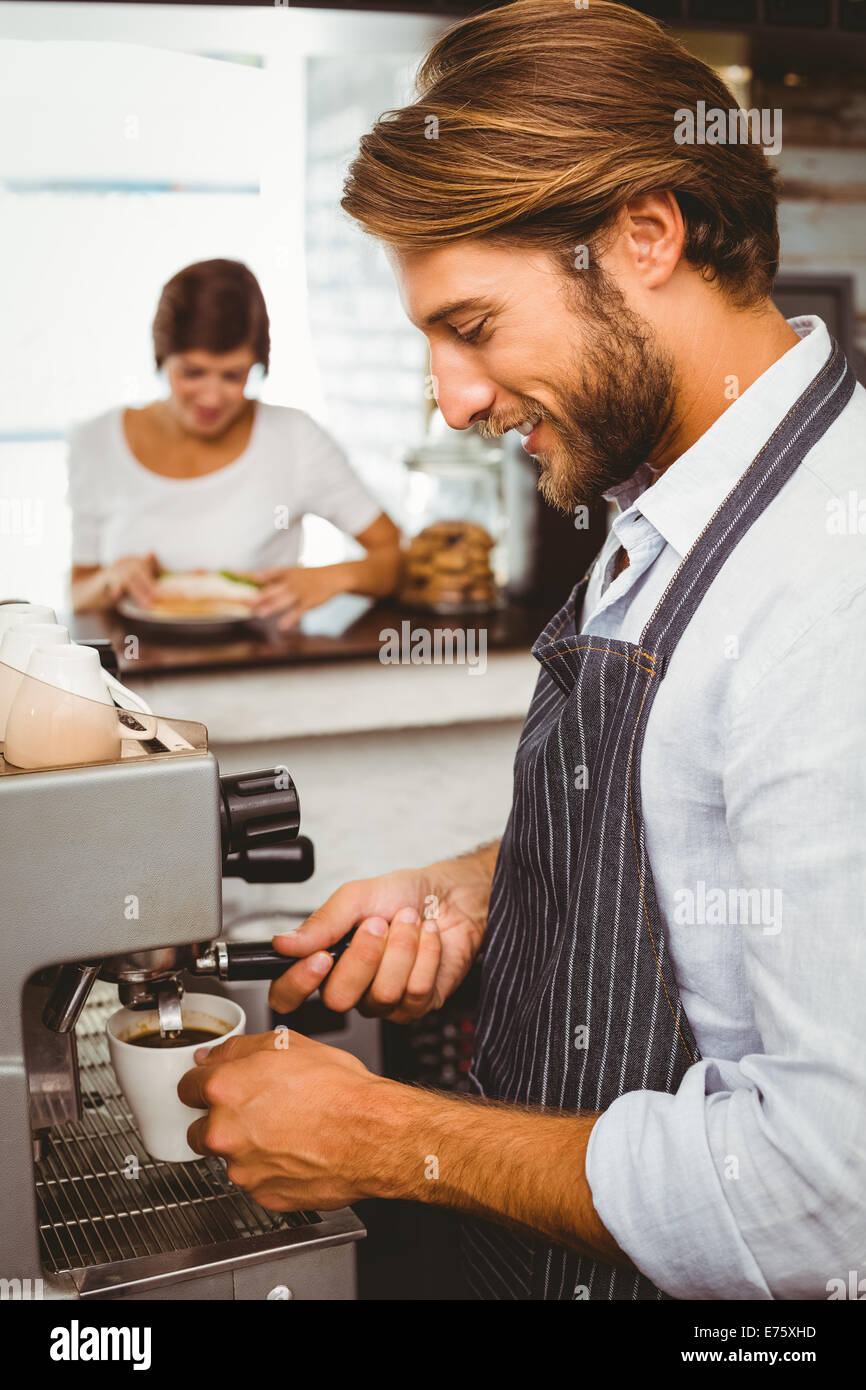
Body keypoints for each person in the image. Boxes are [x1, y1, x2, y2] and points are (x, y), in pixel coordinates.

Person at [177, 0, 866, 1300]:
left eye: (474, 325)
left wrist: (378, 1135)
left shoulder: (832, 585)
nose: (454, 396)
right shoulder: (674, 492)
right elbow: (724, 811)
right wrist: (501, 880)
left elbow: (828, 1202)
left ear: (644, 235)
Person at [68, 259, 400, 628]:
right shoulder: (97, 441)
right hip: (132, 673)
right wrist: (110, 578)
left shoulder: (295, 439)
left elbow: (394, 556)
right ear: (162, 356)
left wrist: (330, 578)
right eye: (192, 372)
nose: (211, 398)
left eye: (233, 376)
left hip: (262, 672)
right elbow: (78, 591)